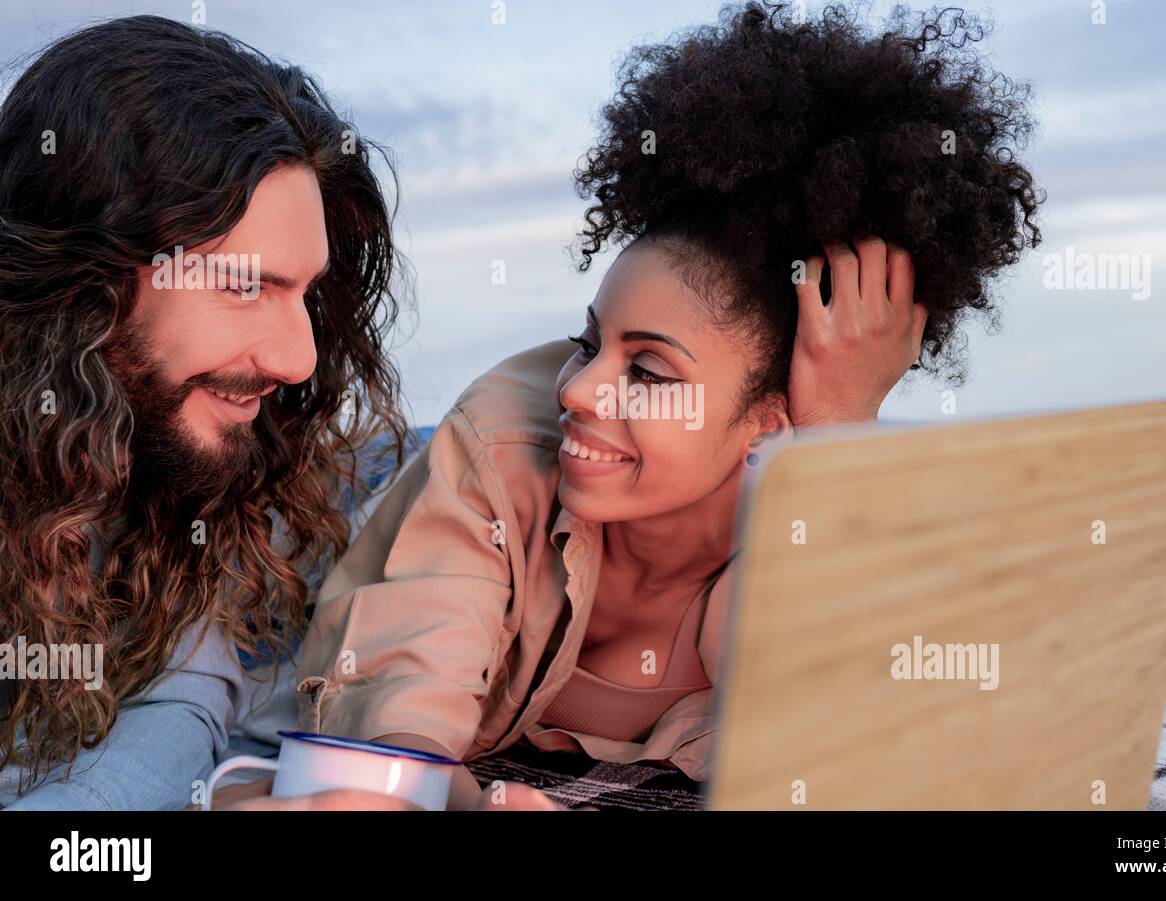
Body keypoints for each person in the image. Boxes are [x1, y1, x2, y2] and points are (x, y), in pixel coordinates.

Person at [222, 1, 1040, 811]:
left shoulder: (817, 504)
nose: (578, 388)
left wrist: (833, 440)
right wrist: (434, 793)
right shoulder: (506, 436)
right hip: (363, 495)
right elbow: (406, 688)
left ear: (773, 422)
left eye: (646, 371)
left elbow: (872, 736)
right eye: (589, 342)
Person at [0, 15, 408, 809]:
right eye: (244, 283)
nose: (299, 361)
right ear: (88, 283)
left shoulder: (150, 469)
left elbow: (178, 701)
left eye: (306, 293)